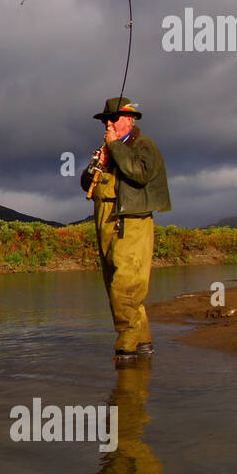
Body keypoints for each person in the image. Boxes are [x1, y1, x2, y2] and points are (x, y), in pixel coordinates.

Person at [80, 97, 171, 362]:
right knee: (113, 286)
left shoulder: (144, 146)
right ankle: (143, 344)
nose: (108, 124)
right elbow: (86, 183)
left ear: (130, 119)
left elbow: (138, 174)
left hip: (130, 223)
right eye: (106, 120)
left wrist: (115, 147)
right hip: (105, 222)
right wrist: (96, 163)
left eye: (114, 119)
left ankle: (127, 348)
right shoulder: (108, 149)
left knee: (126, 287)